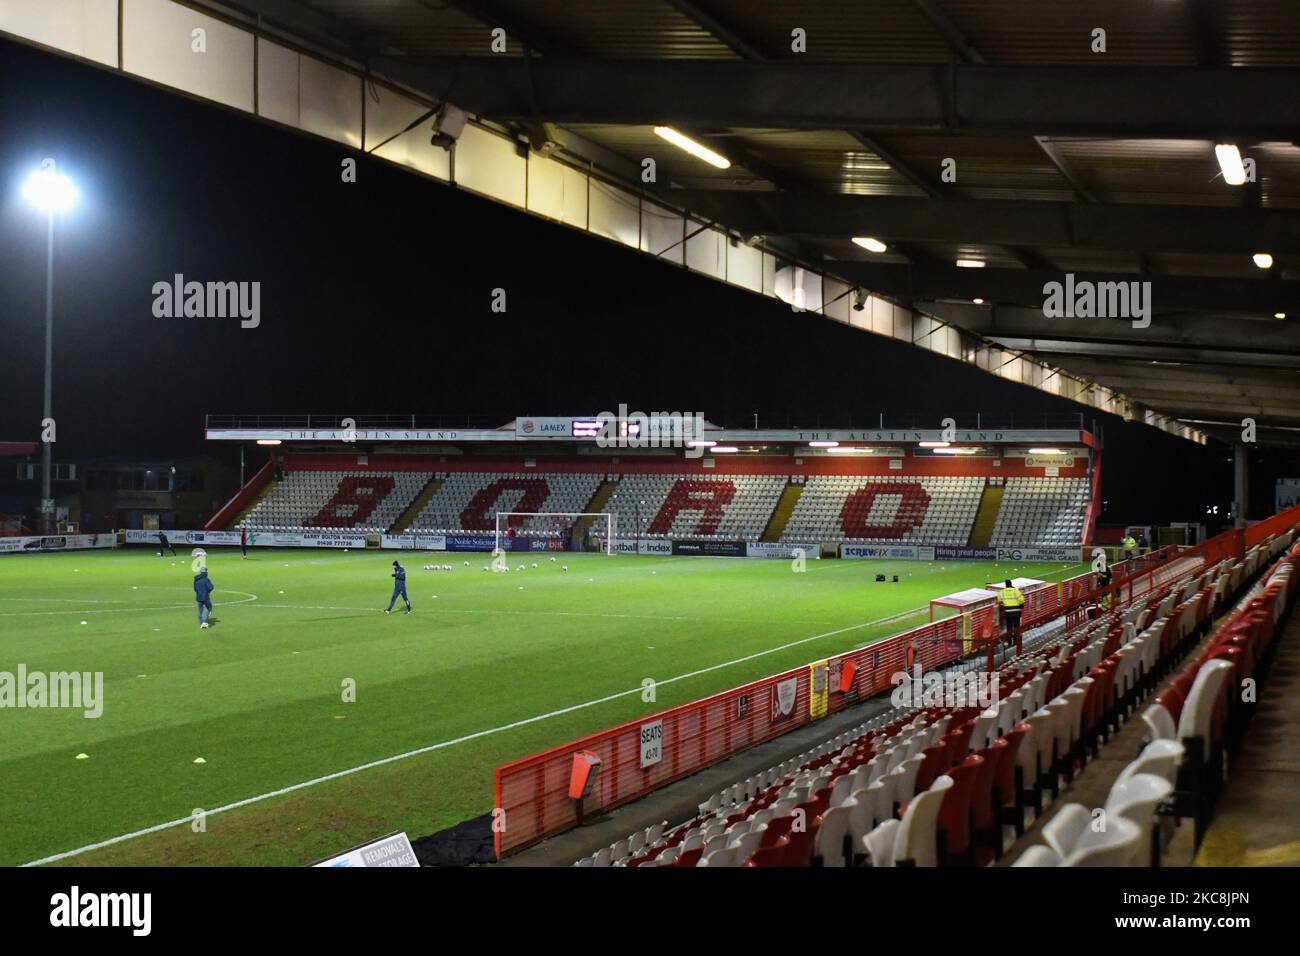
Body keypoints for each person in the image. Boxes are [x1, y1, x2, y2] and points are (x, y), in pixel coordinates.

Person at [997, 578, 1025, 646]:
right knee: (1016, 627)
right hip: (1017, 611)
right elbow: (1022, 601)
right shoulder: (1016, 591)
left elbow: (999, 601)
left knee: (1009, 627)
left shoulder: (1002, 592)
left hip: (1008, 612)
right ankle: (1016, 641)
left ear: (1005, 585)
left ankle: (1009, 642)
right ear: (1011, 584)